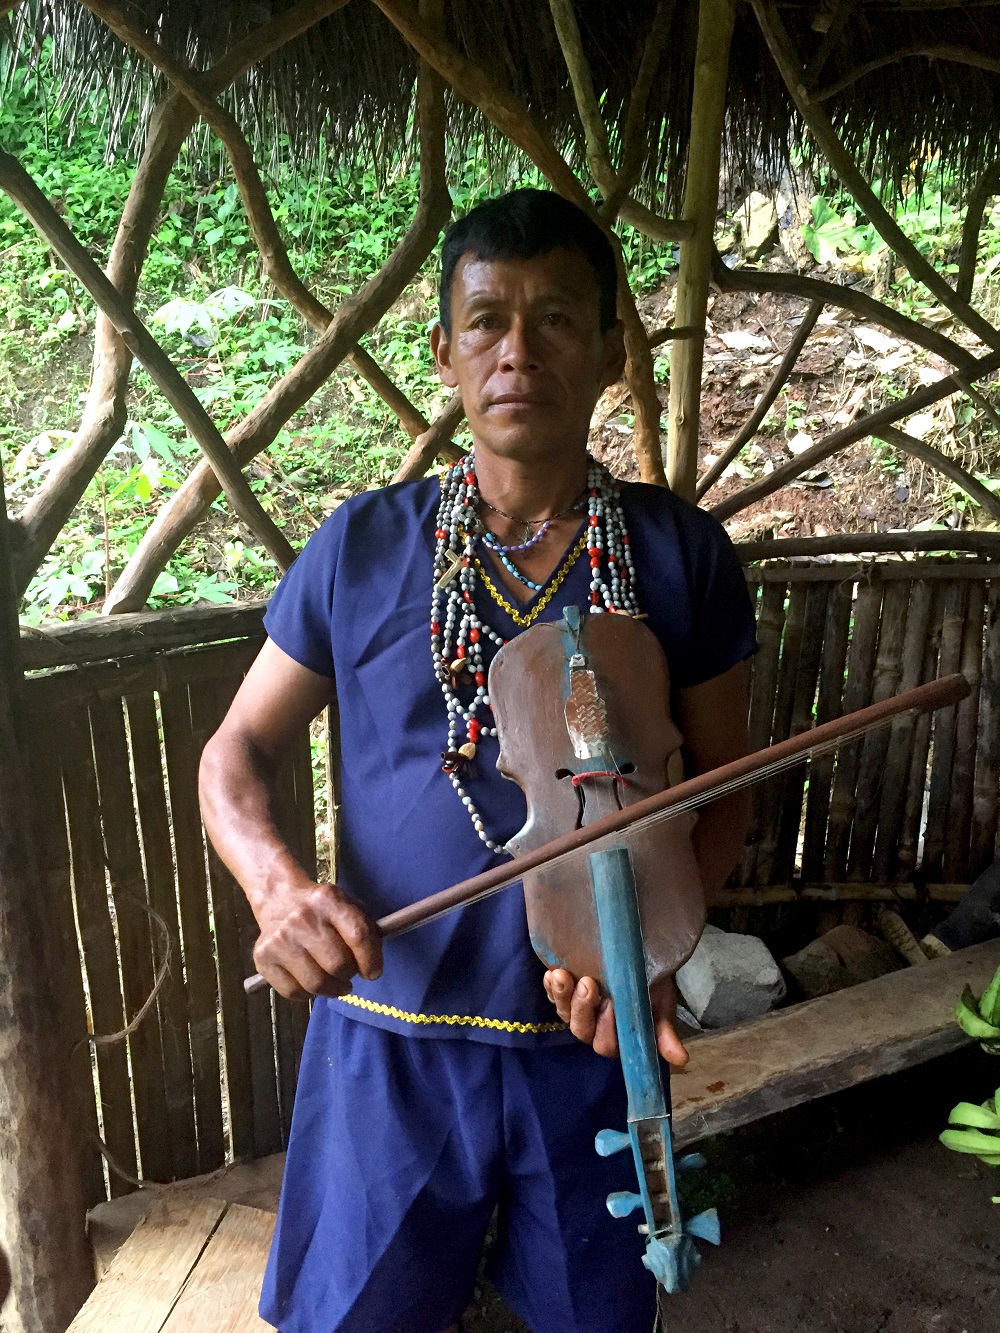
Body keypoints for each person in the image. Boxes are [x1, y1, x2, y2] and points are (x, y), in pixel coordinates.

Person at [199, 187, 757, 1333]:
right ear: (444, 349)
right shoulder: (361, 545)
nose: (518, 350)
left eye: (556, 318)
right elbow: (236, 752)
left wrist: (648, 955)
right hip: (387, 1049)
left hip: (589, 1052)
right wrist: (278, 888)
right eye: (488, 318)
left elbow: (721, 788)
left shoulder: (677, 553)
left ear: (610, 349)